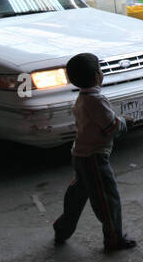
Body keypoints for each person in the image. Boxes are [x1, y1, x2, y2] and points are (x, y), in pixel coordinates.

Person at [52, 52, 136, 251]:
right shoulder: (97, 100)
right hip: (94, 158)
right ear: (97, 76)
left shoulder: (82, 98)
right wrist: (124, 121)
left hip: (80, 155)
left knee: (77, 195)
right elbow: (111, 128)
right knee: (107, 199)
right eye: (100, 68)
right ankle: (114, 239)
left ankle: (62, 228)